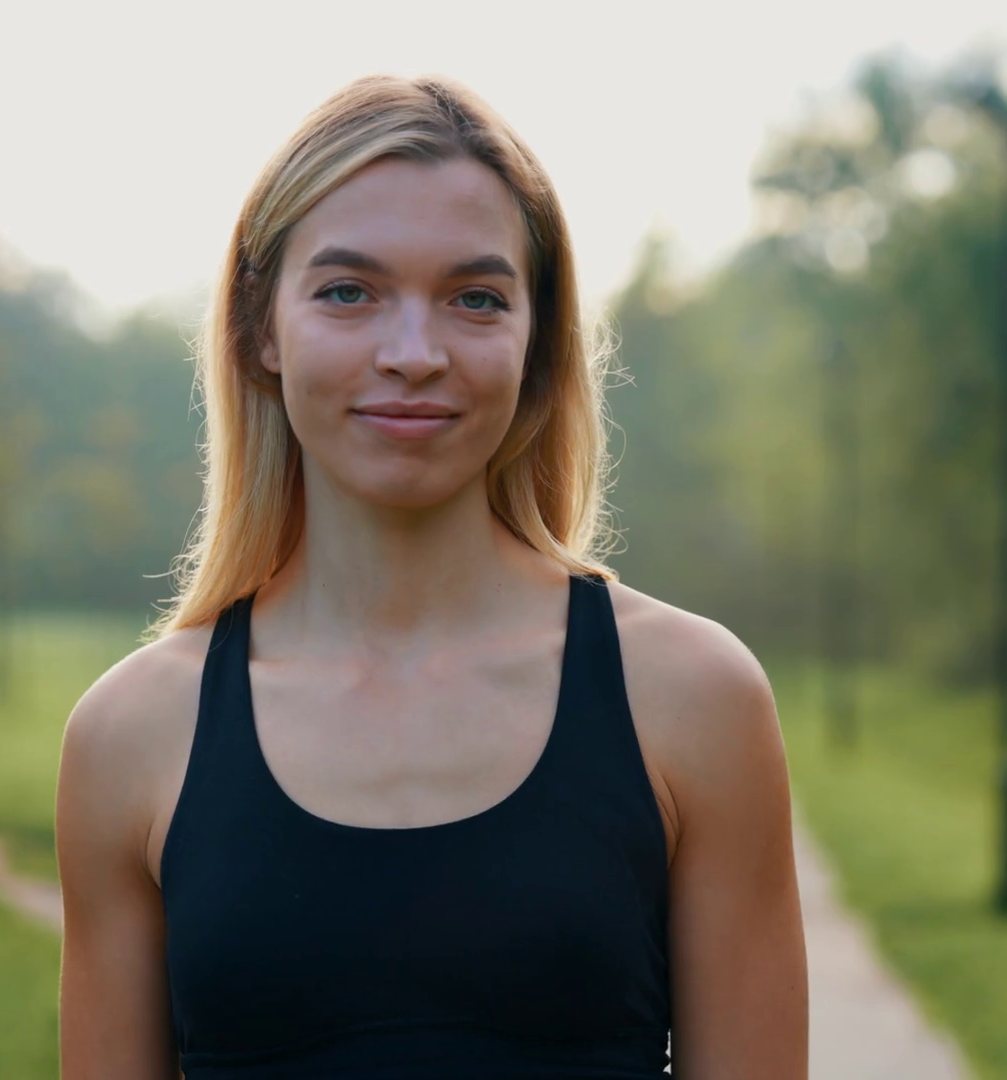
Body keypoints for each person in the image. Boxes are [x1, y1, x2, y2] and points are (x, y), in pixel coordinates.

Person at [55, 74, 807, 1079]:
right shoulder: (130, 737)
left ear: (538, 344)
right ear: (260, 330)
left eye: (476, 298)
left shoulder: (694, 700)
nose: (413, 354)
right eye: (348, 292)